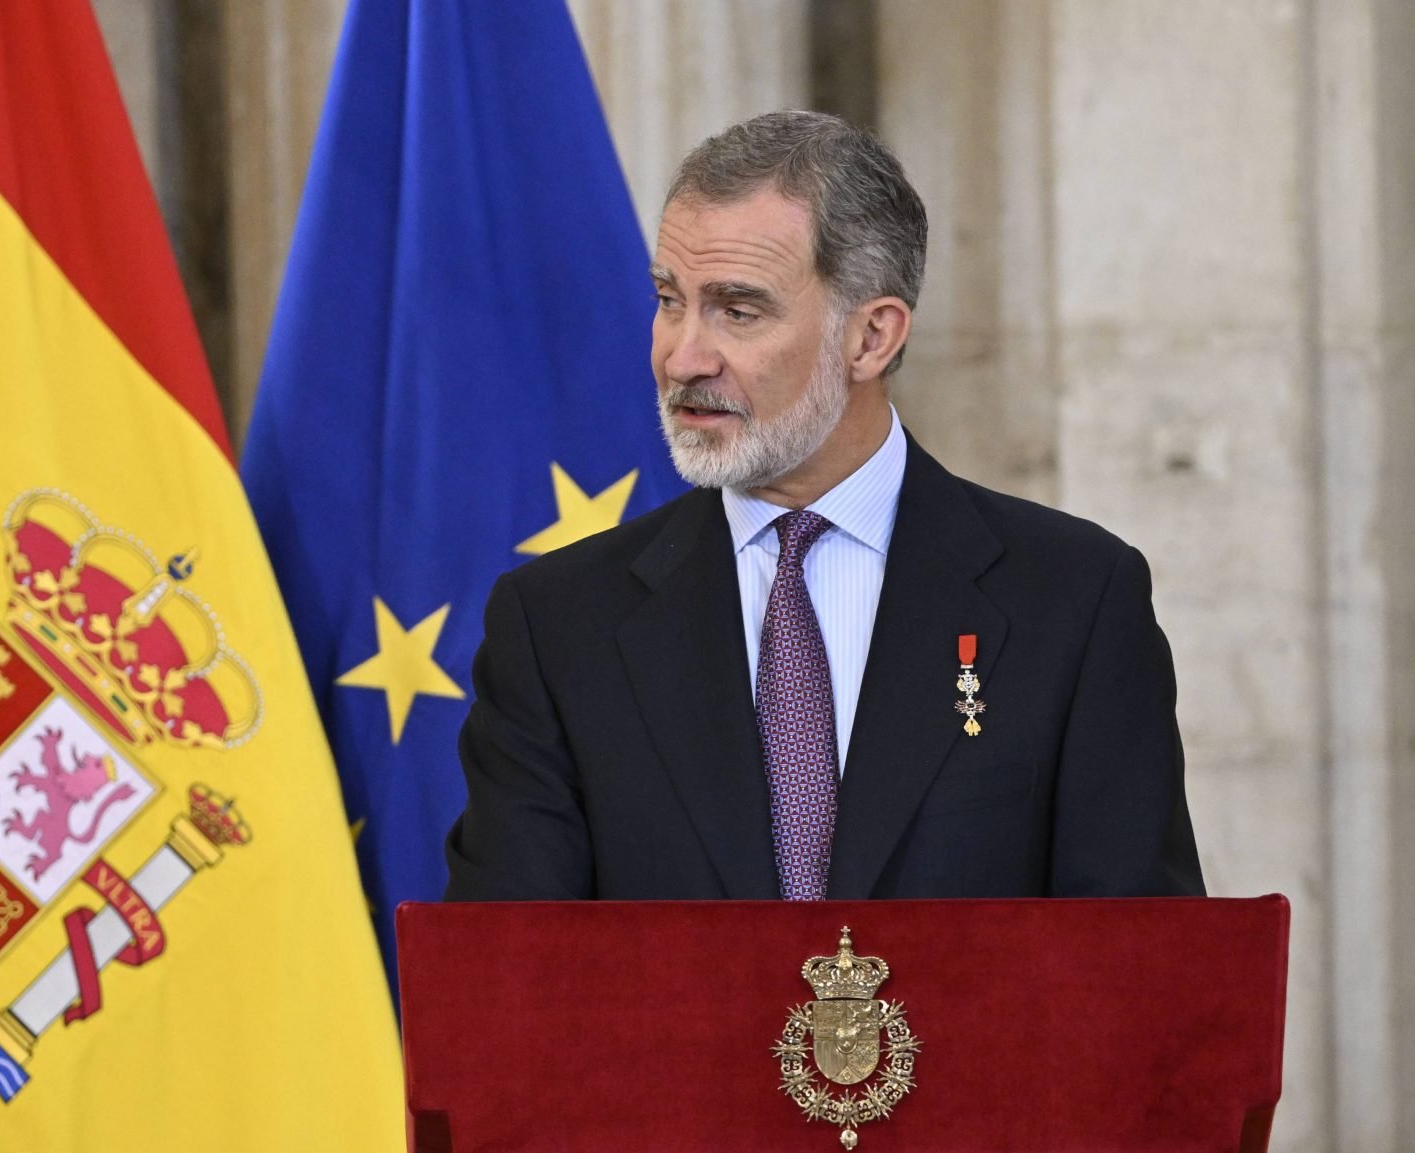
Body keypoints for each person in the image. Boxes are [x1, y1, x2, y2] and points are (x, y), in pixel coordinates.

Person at [443, 111, 1203, 902]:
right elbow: (508, 987)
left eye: (737, 310)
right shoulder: (558, 624)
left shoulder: (1074, 600)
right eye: (671, 301)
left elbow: (1140, 977)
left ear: (871, 338)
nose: (683, 356)